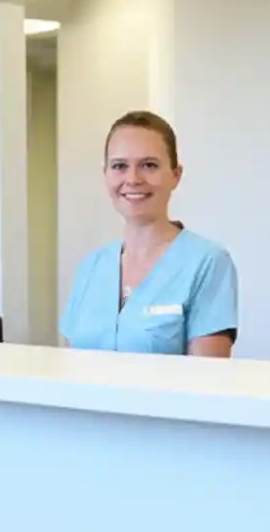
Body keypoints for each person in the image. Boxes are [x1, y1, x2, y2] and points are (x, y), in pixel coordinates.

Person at [60, 111, 238, 357]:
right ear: (106, 175)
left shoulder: (207, 263)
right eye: (119, 166)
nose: (132, 179)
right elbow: (68, 368)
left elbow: (208, 383)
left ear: (176, 175)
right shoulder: (90, 268)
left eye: (149, 165)